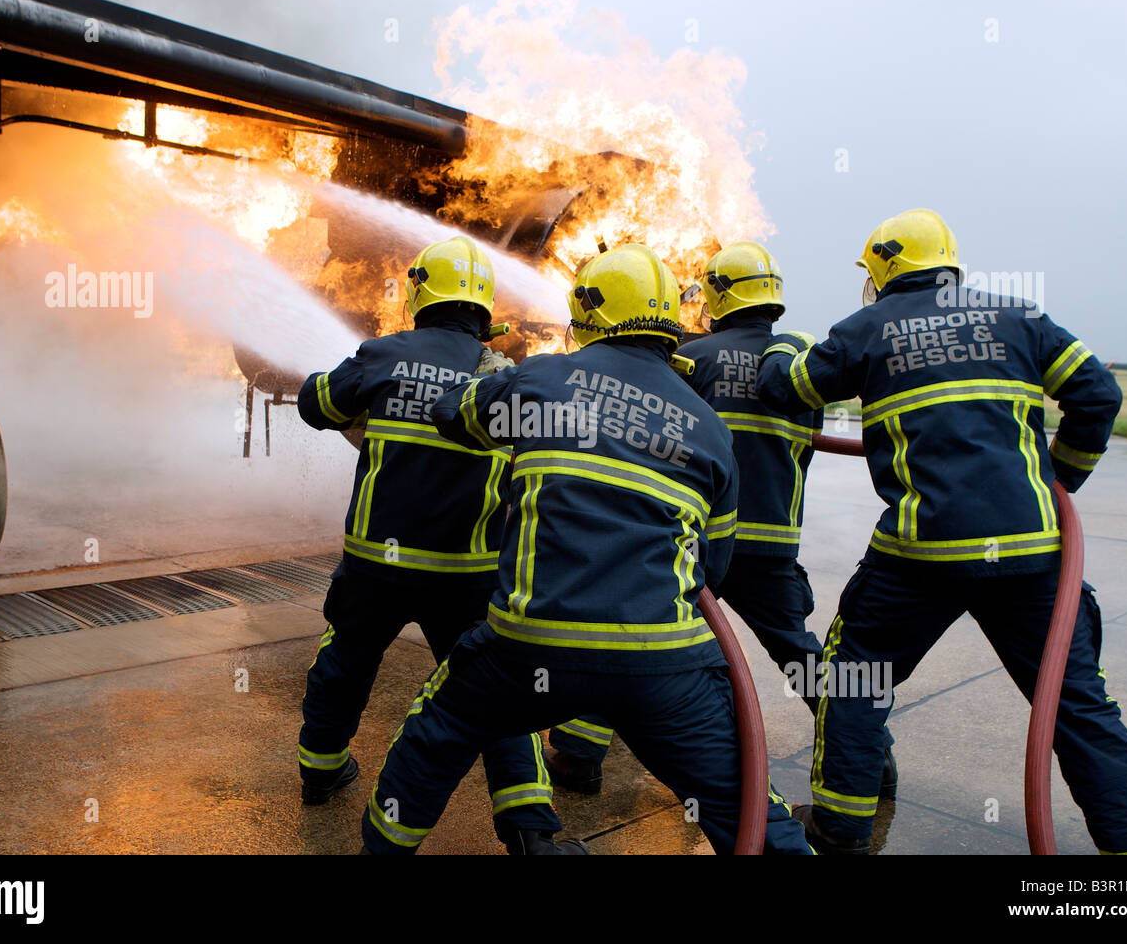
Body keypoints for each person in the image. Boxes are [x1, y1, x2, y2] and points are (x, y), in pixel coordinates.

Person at [359, 243, 812, 855]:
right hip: (662, 667)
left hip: (527, 649)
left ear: (588, 315)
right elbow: (715, 566)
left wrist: (496, 376)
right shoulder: (708, 424)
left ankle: (381, 848)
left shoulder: (541, 376)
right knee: (744, 799)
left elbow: (452, 415)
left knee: (434, 739)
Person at [759, 208, 1127, 855]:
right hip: (1032, 554)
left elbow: (787, 388)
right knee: (1082, 712)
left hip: (918, 556)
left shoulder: (867, 327)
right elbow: (1100, 395)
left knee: (855, 681)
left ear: (884, 270)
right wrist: (1056, 483)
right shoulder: (1020, 315)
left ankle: (840, 829)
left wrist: (780, 345)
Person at [545, 242, 897, 799]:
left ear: (717, 295)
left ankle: (579, 755)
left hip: (698, 542)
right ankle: (871, 755)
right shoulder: (799, 358)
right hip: (772, 544)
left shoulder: (693, 359)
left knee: (633, 638)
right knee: (800, 655)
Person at [296, 235, 567, 855]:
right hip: (467, 575)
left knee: (346, 665)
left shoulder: (381, 354)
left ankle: (320, 770)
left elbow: (317, 404)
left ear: (420, 292)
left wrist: (344, 391)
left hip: (374, 566)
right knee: (496, 689)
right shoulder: (505, 377)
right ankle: (528, 829)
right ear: (483, 306)